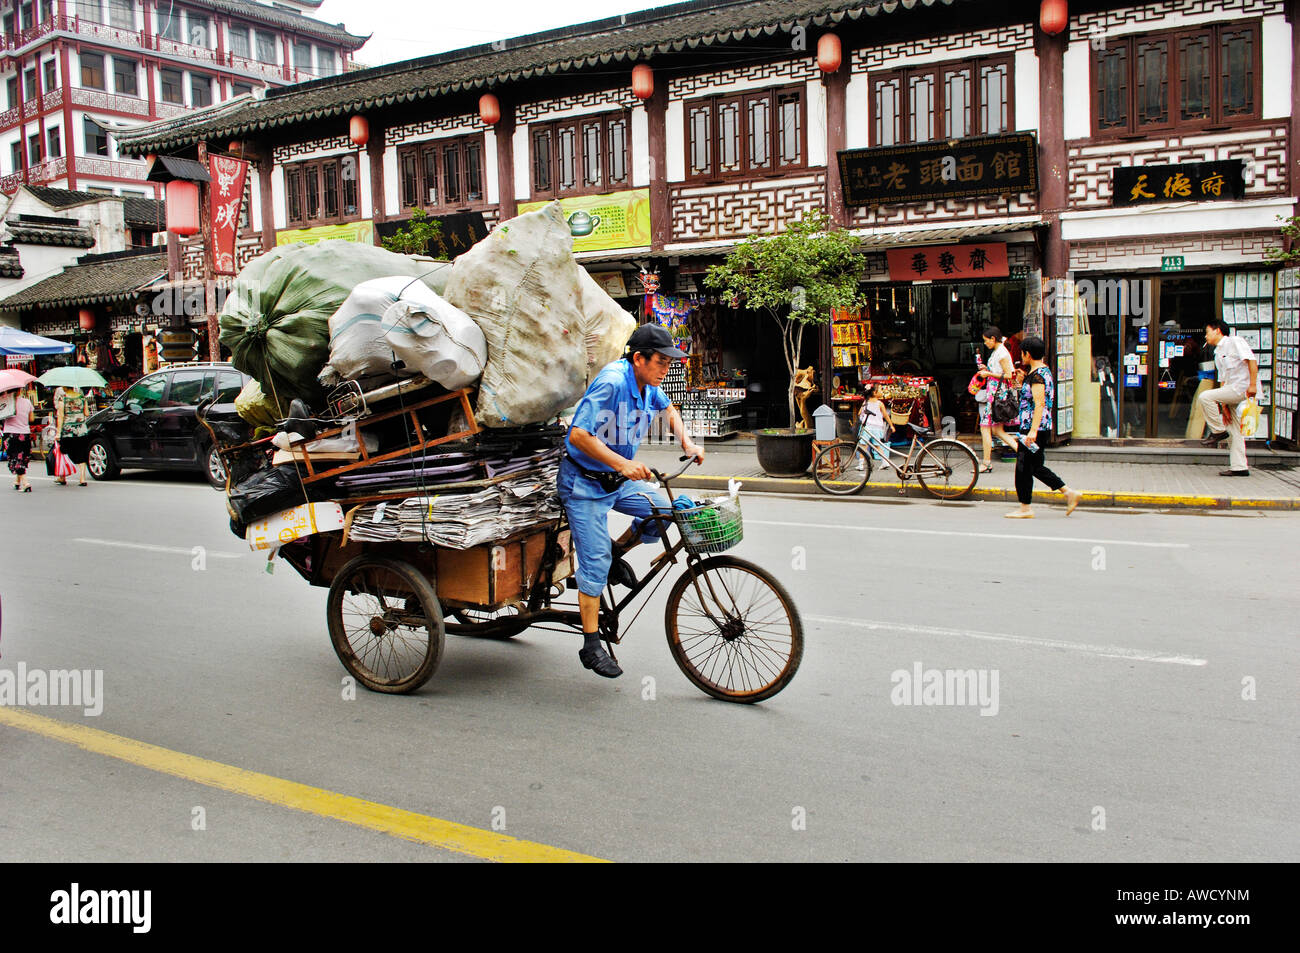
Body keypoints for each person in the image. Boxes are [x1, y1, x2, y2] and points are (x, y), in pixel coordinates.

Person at [559, 324, 705, 679]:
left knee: (668, 511)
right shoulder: (612, 382)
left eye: (669, 364)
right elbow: (578, 434)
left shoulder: (647, 386)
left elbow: (669, 409)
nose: (665, 369)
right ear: (638, 358)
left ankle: (616, 555)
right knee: (593, 563)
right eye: (661, 362)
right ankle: (591, 645)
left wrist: (687, 442)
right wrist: (623, 463)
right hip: (585, 484)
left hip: (618, 481)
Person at [1005, 336, 1082, 519]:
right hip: (1038, 427)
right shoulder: (1040, 373)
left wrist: (1032, 431)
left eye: (1022, 353)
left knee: (1023, 468)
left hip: (1034, 429)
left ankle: (1025, 508)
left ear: (1028, 354)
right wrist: (1022, 382)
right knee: (1035, 466)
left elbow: (1039, 404)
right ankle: (1068, 492)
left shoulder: (1038, 377)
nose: (1021, 356)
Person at [1197, 318, 1257, 477]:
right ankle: (1240, 467)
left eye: (1207, 332)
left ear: (1217, 330)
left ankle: (1217, 431)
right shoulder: (1217, 353)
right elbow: (1223, 379)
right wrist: (1224, 406)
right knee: (1234, 429)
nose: (1205, 336)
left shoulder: (1235, 342)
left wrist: (1253, 385)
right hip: (1230, 390)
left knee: (1205, 397)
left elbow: (1252, 361)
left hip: (1242, 388)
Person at [976, 326, 1018, 472]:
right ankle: (1025, 454)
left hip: (996, 395)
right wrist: (986, 369)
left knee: (985, 427)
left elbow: (1009, 375)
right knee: (997, 430)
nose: (985, 343)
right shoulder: (998, 352)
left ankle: (986, 462)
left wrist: (988, 374)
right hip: (994, 393)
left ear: (993, 339)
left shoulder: (1002, 353)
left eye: (986, 340)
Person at [54, 385, 95, 486]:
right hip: (81, 429)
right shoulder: (82, 398)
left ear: (65, 387)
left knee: (64, 452)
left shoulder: (63, 398)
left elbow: (60, 416)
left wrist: (58, 432)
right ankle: (82, 478)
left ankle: (62, 477)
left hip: (68, 430)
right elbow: (86, 413)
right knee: (81, 452)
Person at [3, 386, 36, 492]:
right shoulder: (27, 402)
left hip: (11, 434)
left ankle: (25, 482)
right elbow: (31, 419)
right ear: (20, 390)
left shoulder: (5, 403)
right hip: (24, 433)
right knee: (21, 458)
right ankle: (17, 481)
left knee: (15, 458)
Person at [856, 384, 891, 467]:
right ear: (875, 393)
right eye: (881, 390)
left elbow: (859, 413)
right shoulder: (880, 403)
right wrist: (891, 425)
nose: (882, 392)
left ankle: (861, 465)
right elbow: (886, 415)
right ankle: (885, 462)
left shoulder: (865, 403)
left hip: (867, 427)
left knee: (863, 446)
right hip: (877, 428)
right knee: (877, 446)